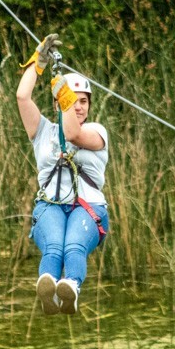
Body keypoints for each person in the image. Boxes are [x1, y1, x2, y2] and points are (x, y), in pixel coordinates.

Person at [16, 34, 109, 315]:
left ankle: (71, 288)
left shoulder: (97, 132)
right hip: (51, 205)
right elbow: (22, 97)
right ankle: (48, 287)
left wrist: (65, 98)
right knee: (54, 247)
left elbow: (72, 133)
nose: (78, 106)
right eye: (72, 101)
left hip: (88, 207)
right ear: (56, 104)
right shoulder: (42, 130)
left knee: (73, 247)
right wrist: (38, 63)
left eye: (83, 102)